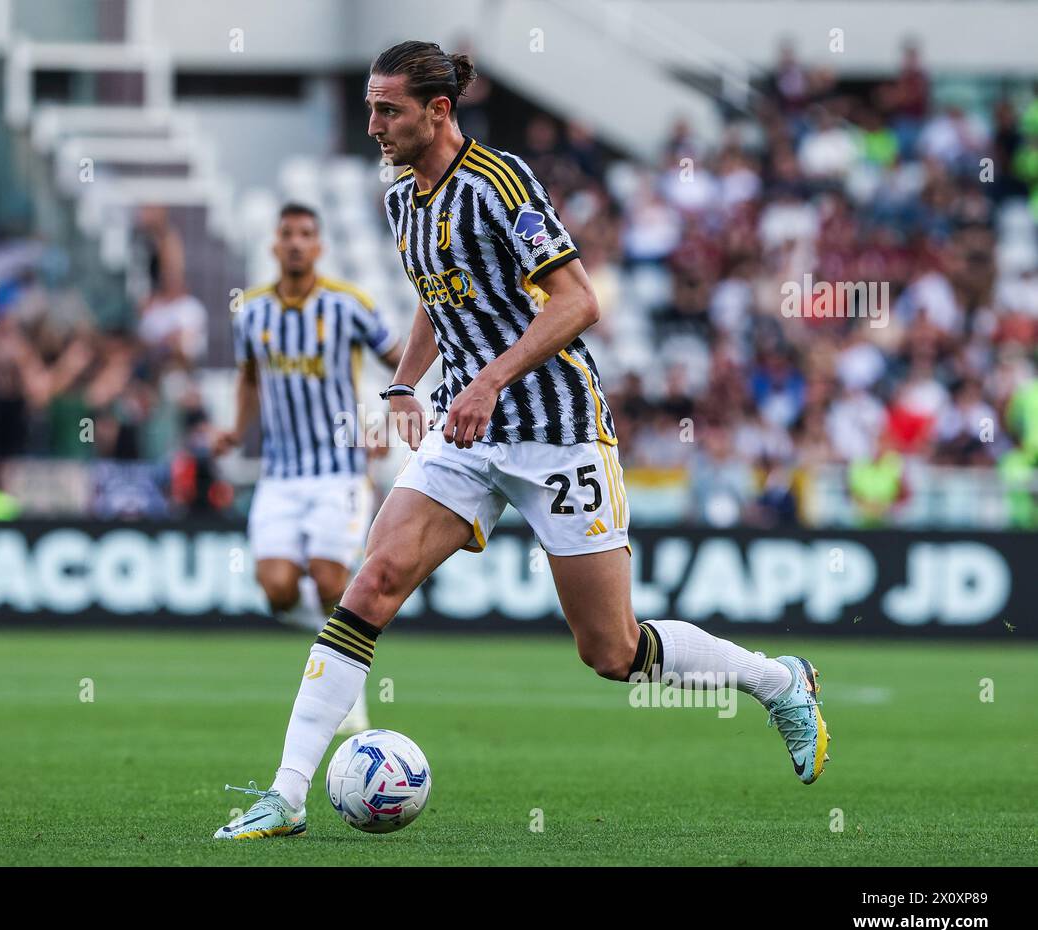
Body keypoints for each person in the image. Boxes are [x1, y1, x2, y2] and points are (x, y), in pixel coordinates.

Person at [214, 42, 830, 840]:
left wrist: (488, 379)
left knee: (611, 651)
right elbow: (439, 297)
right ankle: (287, 794)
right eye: (370, 107)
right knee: (371, 585)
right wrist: (404, 383)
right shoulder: (404, 196)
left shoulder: (502, 185)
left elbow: (577, 302)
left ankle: (777, 680)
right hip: (467, 435)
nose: (372, 125)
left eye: (386, 109)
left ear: (438, 111)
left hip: (557, 433)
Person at [215, 203, 404, 737]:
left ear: (319, 247)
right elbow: (250, 378)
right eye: (287, 235)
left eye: (306, 235)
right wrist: (235, 428)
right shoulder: (251, 312)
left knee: (327, 578)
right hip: (280, 471)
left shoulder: (349, 305)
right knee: (275, 589)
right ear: (274, 246)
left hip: (340, 468)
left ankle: (351, 698)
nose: (296, 243)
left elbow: (399, 359)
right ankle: (343, 636)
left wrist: (386, 416)